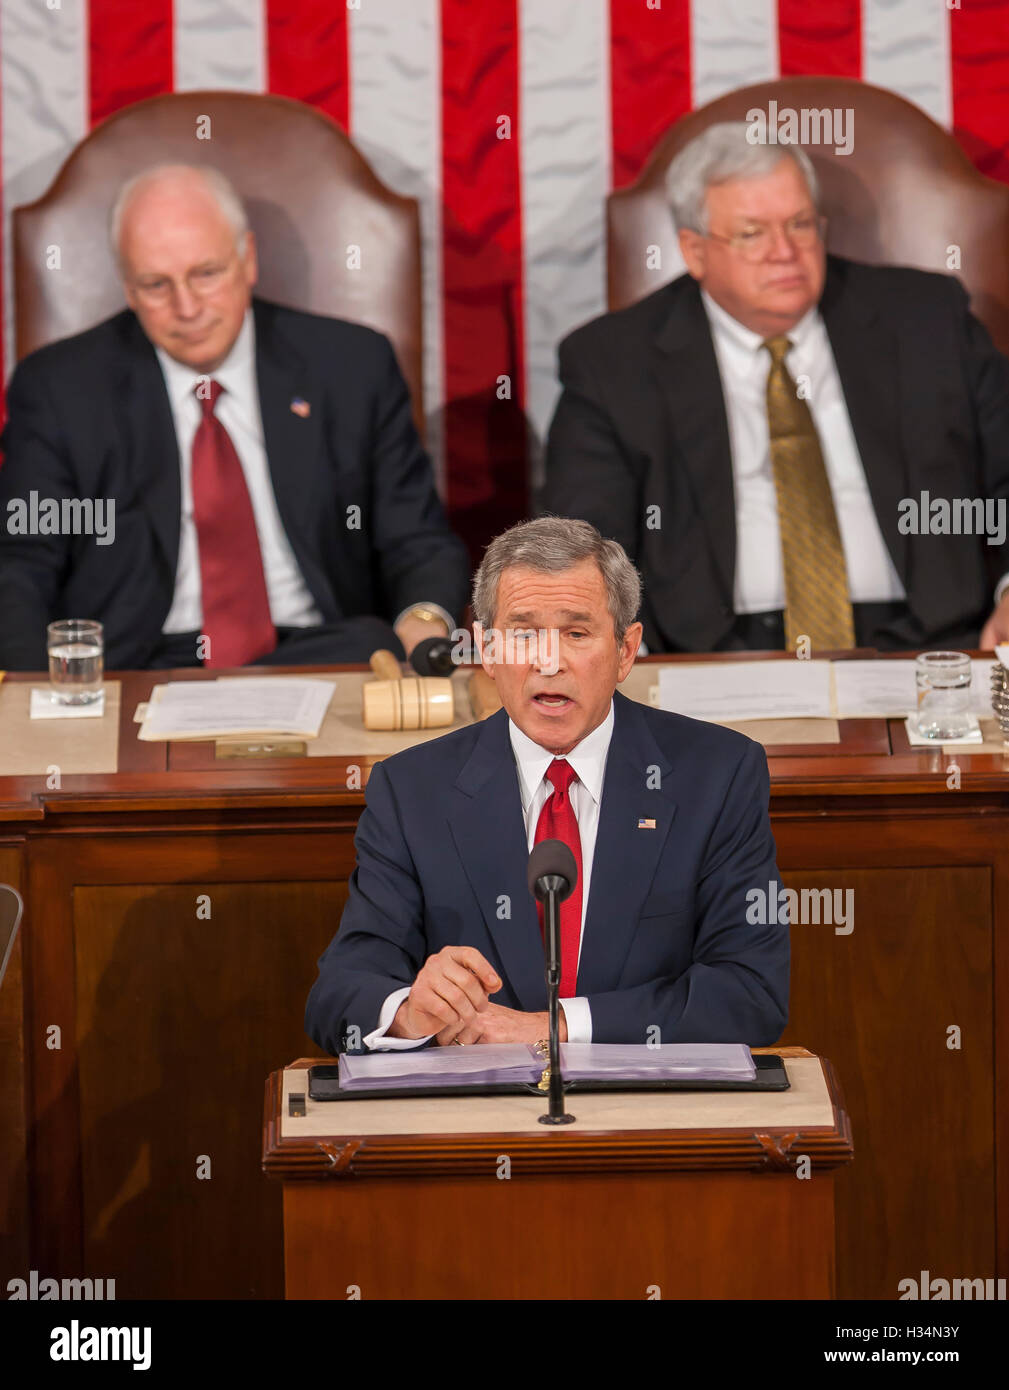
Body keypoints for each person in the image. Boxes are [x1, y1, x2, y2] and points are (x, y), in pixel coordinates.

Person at [305, 517, 789, 1053]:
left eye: (576, 634)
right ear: (487, 650)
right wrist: (408, 1013)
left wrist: (552, 1028)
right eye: (523, 634)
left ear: (626, 651)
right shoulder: (411, 790)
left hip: (645, 1097)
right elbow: (339, 996)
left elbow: (750, 994)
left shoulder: (718, 775)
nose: (548, 662)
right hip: (480, 1102)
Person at [542, 122, 1009, 654]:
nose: (784, 251)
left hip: (933, 645)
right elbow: (584, 540)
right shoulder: (612, 363)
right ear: (694, 251)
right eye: (752, 233)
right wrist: (625, 662)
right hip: (710, 657)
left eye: (799, 224)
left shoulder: (927, 319)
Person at [0, 163, 469, 670]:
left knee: (368, 644)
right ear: (129, 289)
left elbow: (415, 538)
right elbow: (21, 562)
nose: (187, 308)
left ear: (248, 259)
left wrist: (423, 622)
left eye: (206, 274)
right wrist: (35, 697)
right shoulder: (59, 389)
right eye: (156, 285)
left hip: (318, 653)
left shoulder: (351, 366)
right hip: (137, 665)